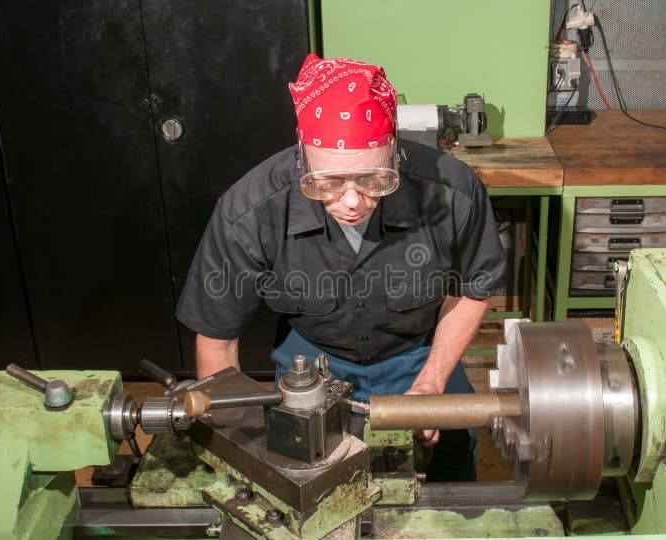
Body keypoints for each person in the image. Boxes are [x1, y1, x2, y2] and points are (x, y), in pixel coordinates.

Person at [176, 54, 506, 481]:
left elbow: (472, 288)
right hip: (310, 364)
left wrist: (431, 380)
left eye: (372, 179)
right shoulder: (249, 212)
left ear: (394, 153)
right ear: (302, 157)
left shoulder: (454, 192)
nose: (351, 201)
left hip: (418, 352)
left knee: (451, 464)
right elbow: (217, 343)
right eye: (328, 182)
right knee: (300, 473)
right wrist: (238, 447)